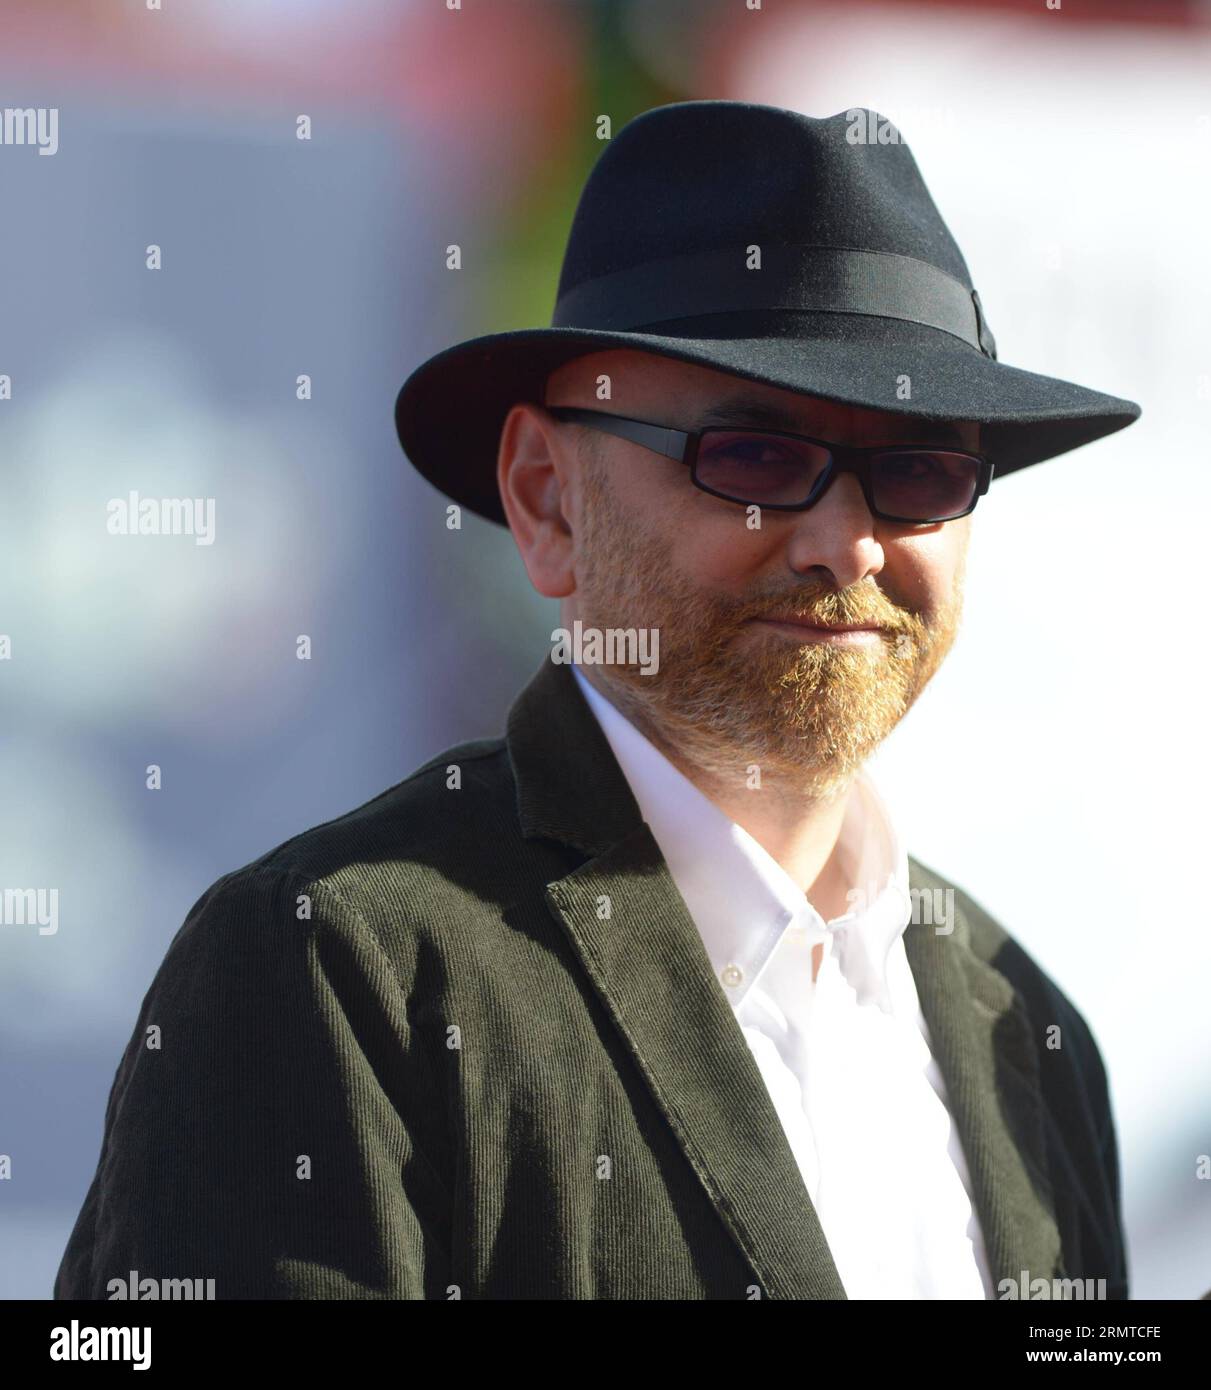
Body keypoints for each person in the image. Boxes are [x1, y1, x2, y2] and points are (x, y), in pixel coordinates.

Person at [55, 100, 1139, 1301]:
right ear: (546, 498)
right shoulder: (338, 969)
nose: (848, 544)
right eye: (755, 458)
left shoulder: (1024, 1036)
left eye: (920, 471)